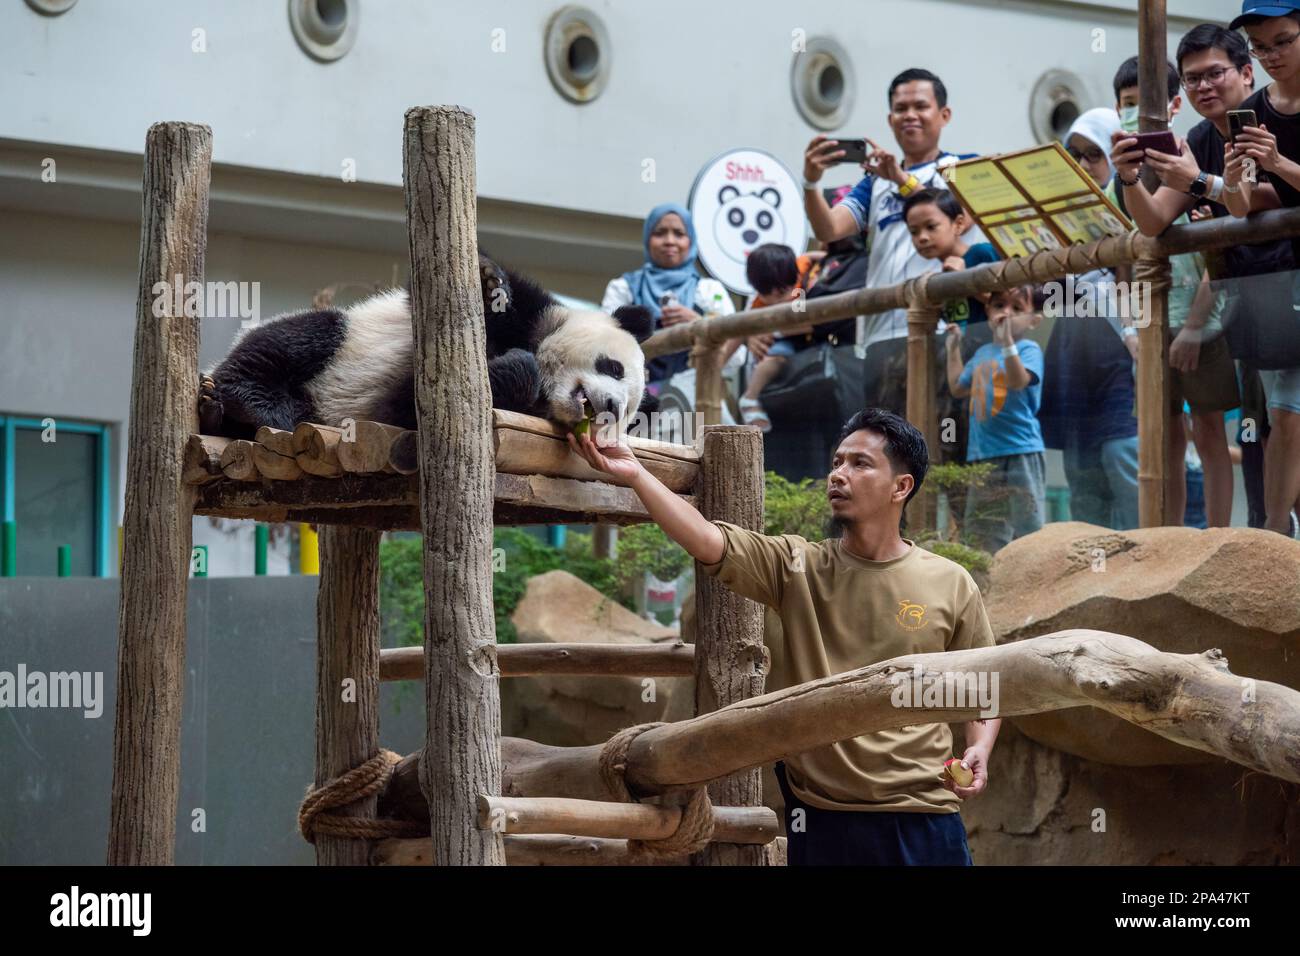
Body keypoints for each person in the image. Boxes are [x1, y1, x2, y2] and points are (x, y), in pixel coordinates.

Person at [567, 408, 1001, 866]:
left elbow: (984, 685)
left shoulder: (951, 583)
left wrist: (979, 748)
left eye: (860, 463)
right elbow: (707, 540)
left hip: (925, 817)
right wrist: (635, 474)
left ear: (901, 487)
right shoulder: (795, 566)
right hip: (822, 820)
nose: (838, 474)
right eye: (837, 462)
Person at [1112, 23, 1295, 531]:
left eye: (1215, 73)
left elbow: (1266, 199)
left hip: (1287, 291)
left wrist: (1199, 182)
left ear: (1245, 72)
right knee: (1264, 441)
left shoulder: (1270, 116)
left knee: (1287, 425)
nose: (1203, 87)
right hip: (1250, 305)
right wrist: (1129, 177)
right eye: (1192, 79)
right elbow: (1153, 221)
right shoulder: (1196, 138)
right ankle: (1271, 549)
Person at [801, 68, 979, 417]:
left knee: (940, 451)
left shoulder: (963, 167)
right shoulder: (874, 183)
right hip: (880, 338)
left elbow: (960, 216)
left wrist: (901, 179)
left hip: (944, 329)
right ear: (890, 118)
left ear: (944, 115)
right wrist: (810, 182)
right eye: (901, 108)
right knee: (886, 450)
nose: (909, 115)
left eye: (920, 106)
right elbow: (829, 229)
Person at [1106, 55, 1237, 527]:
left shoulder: (1192, 156)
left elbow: (1217, 257)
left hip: (1204, 321)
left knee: (1207, 430)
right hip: (1149, 325)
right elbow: (1121, 265)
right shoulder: (1116, 176)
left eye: (1146, 103)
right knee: (1163, 436)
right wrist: (1132, 331)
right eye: (1126, 103)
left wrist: (1195, 328)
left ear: (1173, 104)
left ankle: (1218, 538)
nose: (1135, 112)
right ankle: (1166, 539)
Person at [1039, 108, 1141, 530]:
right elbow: (1048, 292)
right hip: (1073, 349)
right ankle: (1090, 568)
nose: (1082, 165)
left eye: (1093, 155)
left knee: (1122, 452)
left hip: (1120, 347)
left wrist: (1134, 329)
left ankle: (1149, 555)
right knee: (1080, 466)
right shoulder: (1054, 215)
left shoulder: (1136, 198)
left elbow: (1135, 281)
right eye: (1074, 155)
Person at [1223, 0, 1300, 535]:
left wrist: (1277, 163)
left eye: (1284, 40)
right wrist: (1232, 179)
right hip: (1280, 286)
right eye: (1260, 47)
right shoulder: (1251, 111)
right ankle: (1276, 538)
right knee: (1282, 418)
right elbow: (1238, 206)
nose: (1272, 55)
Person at [602, 202, 742, 396]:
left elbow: (736, 358)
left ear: (691, 240)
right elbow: (604, 347)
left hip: (695, 401)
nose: (669, 241)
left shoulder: (709, 290)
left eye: (679, 233)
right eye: (659, 233)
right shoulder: (623, 288)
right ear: (647, 239)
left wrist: (698, 324)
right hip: (637, 402)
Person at [945, 286, 1046, 553]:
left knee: (1029, 523)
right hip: (983, 454)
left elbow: (1017, 381)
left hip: (1021, 450)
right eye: (999, 305)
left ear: (1035, 319)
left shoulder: (1029, 349)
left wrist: (1008, 343)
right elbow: (957, 387)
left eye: (1016, 308)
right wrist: (953, 347)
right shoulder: (982, 353)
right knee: (983, 527)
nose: (1005, 313)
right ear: (988, 312)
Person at [737, 243, 821, 433]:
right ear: (759, 290)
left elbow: (814, 255)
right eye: (772, 295)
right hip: (781, 348)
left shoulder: (801, 278)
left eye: (784, 291)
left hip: (805, 341)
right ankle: (750, 397)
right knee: (774, 357)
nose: (780, 297)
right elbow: (738, 332)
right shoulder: (756, 304)